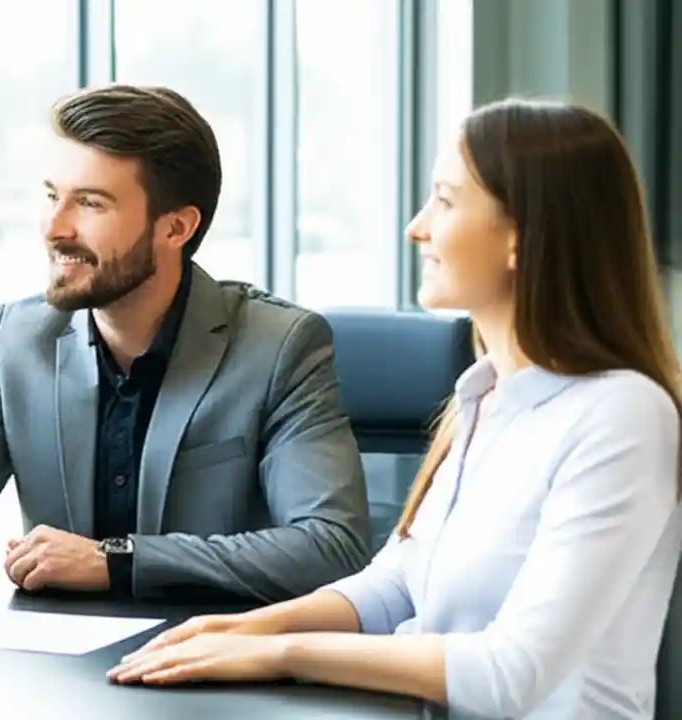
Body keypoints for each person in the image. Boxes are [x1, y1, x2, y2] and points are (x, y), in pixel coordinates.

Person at [108, 98, 682, 719]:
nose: (417, 226)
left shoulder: (623, 416)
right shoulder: (487, 395)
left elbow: (510, 673)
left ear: (522, 236)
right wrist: (243, 631)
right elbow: (397, 584)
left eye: (446, 199)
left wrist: (285, 654)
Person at [0, 84, 371, 602]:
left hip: (215, 663)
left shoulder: (279, 347)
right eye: (52, 196)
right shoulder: (17, 338)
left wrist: (116, 561)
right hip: (65, 670)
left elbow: (330, 547)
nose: (54, 227)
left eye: (90, 204)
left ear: (176, 228)